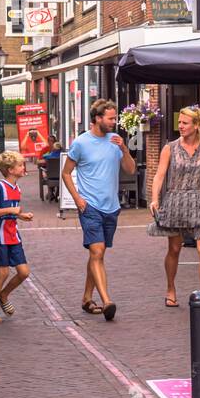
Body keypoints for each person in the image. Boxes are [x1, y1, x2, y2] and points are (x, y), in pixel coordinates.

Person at [62, 99, 136, 321]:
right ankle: (106, 301)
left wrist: (124, 148)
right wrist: (77, 199)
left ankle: (86, 298)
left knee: (98, 254)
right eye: (111, 118)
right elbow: (66, 173)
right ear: (97, 118)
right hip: (90, 206)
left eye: (115, 118)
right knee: (97, 252)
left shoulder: (115, 142)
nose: (115, 122)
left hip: (111, 207)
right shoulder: (81, 143)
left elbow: (131, 170)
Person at [148, 106, 200, 311]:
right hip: (176, 200)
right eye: (179, 122)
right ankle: (171, 289)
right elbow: (160, 175)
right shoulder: (169, 148)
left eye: (185, 123)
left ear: (196, 125)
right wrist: (155, 199)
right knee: (174, 248)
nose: (180, 126)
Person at [0, 151, 33, 324]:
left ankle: (3, 295)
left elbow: (12, 211)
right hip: (0, 236)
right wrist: (11, 211)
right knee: (3, 273)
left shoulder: (17, 188)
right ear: (10, 170)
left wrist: (21, 216)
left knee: (24, 272)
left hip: (13, 235)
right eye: (20, 165)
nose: (23, 167)